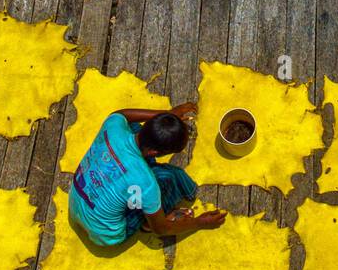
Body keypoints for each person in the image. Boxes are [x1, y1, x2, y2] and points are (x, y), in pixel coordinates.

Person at [70, 104, 226, 246]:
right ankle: (145, 224)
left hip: (76, 204)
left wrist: (166, 116)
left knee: (133, 126)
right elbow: (161, 229)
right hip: (105, 234)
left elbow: (122, 114)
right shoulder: (146, 183)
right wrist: (199, 223)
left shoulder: (113, 126)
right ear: (154, 153)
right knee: (169, 177)